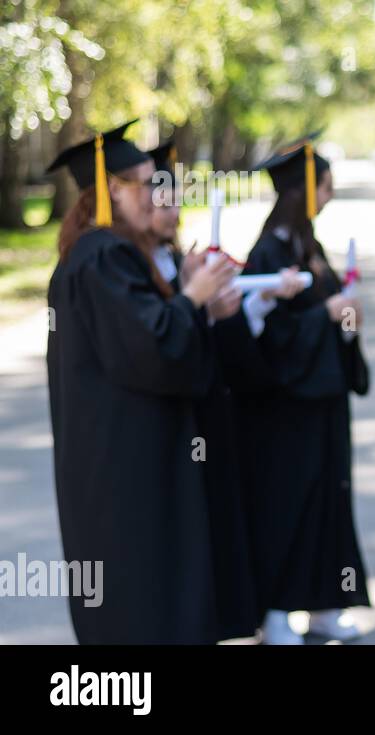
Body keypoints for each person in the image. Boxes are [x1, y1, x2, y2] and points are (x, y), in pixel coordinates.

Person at [45, 121, 237, 643]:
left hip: (129, 457)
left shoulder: (105, 256)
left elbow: (154, 335)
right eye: (145, 183)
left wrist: (188, 292)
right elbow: (152, 349)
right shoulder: (102, 256)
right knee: (142, 598)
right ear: (111, 190)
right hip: (124, 464)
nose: (158, 195)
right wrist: (193, 296)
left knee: (158, 590)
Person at [229, 135, 371, 644]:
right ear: (302, 191)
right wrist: (327, 314)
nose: (329, 195)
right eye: (325, 186)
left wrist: (347, 317)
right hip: (286, 404)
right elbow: (268, 333)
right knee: (285, 504)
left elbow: (324, 315)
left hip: (323, 397)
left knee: (325, 501)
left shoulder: (307, 244)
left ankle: (323, 604)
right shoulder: (268, 250)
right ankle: (274, 613)